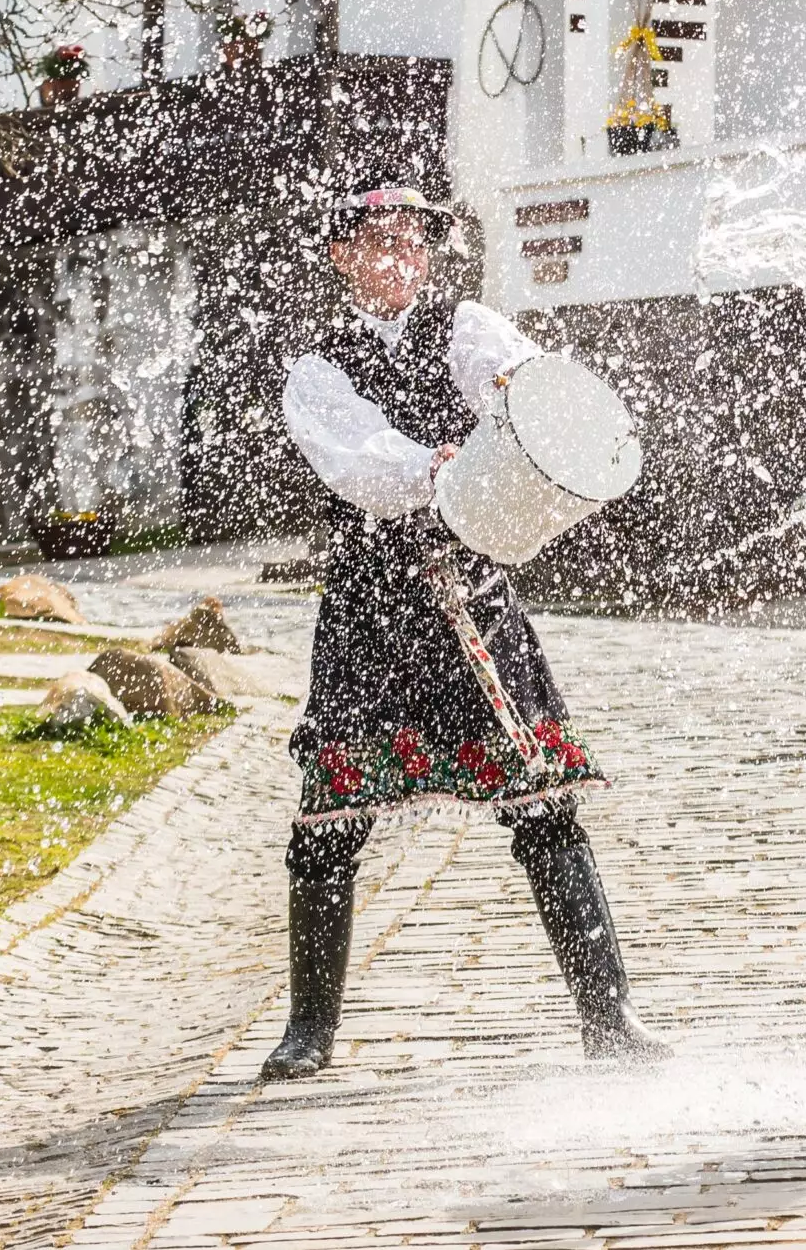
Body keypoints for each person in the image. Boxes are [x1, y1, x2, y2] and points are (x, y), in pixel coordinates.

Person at [262, 183, 661, 1079]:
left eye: (412, 242)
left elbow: (524, 391)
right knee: (331, 811)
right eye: (378, 242)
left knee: (541, 796)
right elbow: (358, 458)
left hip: (470, 587)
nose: (399, 256)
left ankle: (609, 1015)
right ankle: (308, 1030)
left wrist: (522, 413)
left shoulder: (466, 327)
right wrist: (430, 467)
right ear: (343, 256)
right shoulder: (316, 370)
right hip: (373, 602)